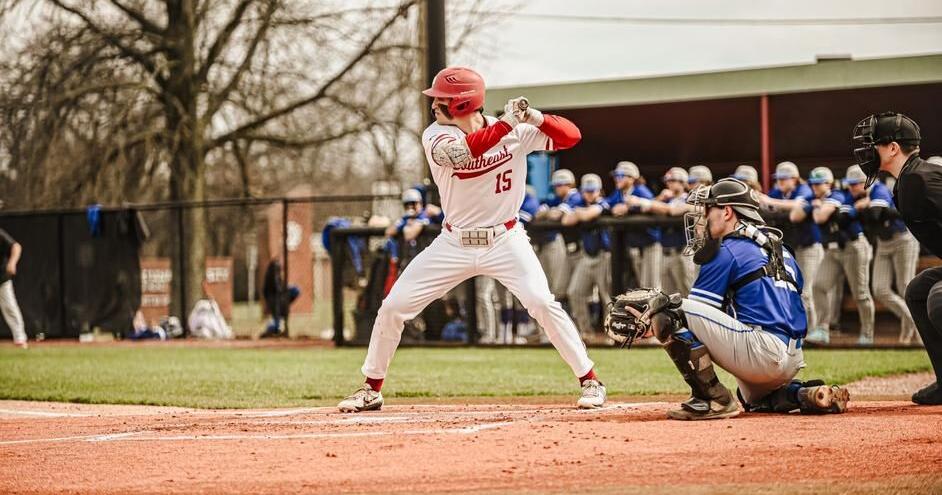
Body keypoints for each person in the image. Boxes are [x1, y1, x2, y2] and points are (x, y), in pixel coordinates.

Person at [337, 66, 606, 412]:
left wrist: (533, 117)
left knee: (542, 302)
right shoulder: (436, 135)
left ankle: (590, 380)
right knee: (393, 307)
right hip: (454, 243)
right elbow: (464, 154)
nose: (434, 105)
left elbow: (571, 137)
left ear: (463, 104)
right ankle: (371, 388)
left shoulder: (515, 131)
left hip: (505, 239)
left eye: (442, 100)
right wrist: (507, 124)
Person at [604, 178, 849, 420]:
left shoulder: (728, 248)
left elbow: (690, 318)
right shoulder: (781, 249)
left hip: (761, 352)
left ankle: (712, 399)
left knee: (669, 310)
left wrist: (652, 323)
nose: (703, 217)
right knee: (753, 400)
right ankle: (802, 394)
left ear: (727, 212)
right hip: (792, 357)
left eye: (708, 209)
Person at [852, 111, 942, 404]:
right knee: (918, 291)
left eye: (874, 144)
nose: (868, 151)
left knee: (938, 298)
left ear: (892, 148)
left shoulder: (919, 178)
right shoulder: (908, 179)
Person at [844, 164, 920, 344]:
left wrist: (864, 206)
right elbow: (845, 217)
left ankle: (912, 335)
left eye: (855, 184)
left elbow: (876, 214)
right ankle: (914, 321)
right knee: (879, 289)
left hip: (902, 240)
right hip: (883, 243)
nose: (851, 188)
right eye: (850, 184)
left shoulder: (878, 189)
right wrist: (859, 207)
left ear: (866, 182)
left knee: (905, 287)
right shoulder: (857, 197)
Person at [803, 167, 875, 345]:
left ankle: (867, 334)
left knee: (860, 293)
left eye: (818, 184)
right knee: (818, 286)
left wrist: (816, 206)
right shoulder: (816, 198)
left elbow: (820, 217)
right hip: (832, 250)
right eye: (813, 184)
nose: (814, 187)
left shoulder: (836, 194)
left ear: (829, 183)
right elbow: (797, 213)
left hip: (853, 246)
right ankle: (822, 329)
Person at [760, 161, 823, 337]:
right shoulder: (778, 193)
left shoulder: (804, 189)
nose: (780, 182)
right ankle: (802, 330)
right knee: (792, 290)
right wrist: (777, 206)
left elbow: (796, 206)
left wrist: (773, 203)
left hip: (810, 248)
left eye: (784, 178)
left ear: (794, 179)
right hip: (792, 249)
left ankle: (812, 330)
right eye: (778, 179)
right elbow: (764, 209)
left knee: (806, 291)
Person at [563, 173, 612, 341]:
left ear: (599, 190)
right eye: (587, 191)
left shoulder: (604, 203)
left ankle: (611, 334)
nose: (590, 194)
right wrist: (579, 212)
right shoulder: (580, 203)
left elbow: (587, 215)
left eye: (593, 191)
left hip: (604, 255)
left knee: (607, 298)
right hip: (587, 255)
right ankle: (586, 332)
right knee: (574, 292)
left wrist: (578, 213)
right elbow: (566, 221)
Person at [607, 161, 662, 289]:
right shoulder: (619, 192)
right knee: (642, 287)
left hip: (649, 245)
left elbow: (652, 207)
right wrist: (613, 208)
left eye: (621, 176)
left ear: (632, 178)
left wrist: (630, 208)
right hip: (635, 246)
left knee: (651, 288)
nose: (616, 179)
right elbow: (608, 203)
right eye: (616, 176)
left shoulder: (641, 191)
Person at [534, 169, 581, 303]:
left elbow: (556, 215)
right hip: (569, 249)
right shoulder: (558, 199)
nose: (556, 188)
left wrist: (550, 212)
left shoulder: (575, 196)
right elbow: (537, 213)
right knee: (563, 289)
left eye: (559, 185)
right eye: (555, 185)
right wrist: (550, 211)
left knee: (579, 291)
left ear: (569, 184)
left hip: (583, 249)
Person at [648, 167, 695, 295]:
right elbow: (648, 209)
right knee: (667, 296)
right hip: (665, 252)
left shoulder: (689, 198)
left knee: (687, 293)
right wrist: (659, 198)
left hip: (682, 252)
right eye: (667, 181)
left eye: (672, 180)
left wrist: (658, 204)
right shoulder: (665, 200)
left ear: (682, 182)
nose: (669, 184)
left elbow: (672, 210)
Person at [260, 256, 300, 338]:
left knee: (295, 290)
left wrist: (284, 293)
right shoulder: (271, 278)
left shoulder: (278, 278)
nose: (278, 270)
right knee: (276, 324)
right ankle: (271, 329)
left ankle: (276, 326)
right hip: (274, 300)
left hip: (281, 299)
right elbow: (273, 290)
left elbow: (283, 288)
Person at [0, 228, 26, 348]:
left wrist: (12, 262)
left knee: (10, 307)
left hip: (1, 278)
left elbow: (16, 246)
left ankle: (20, 340)